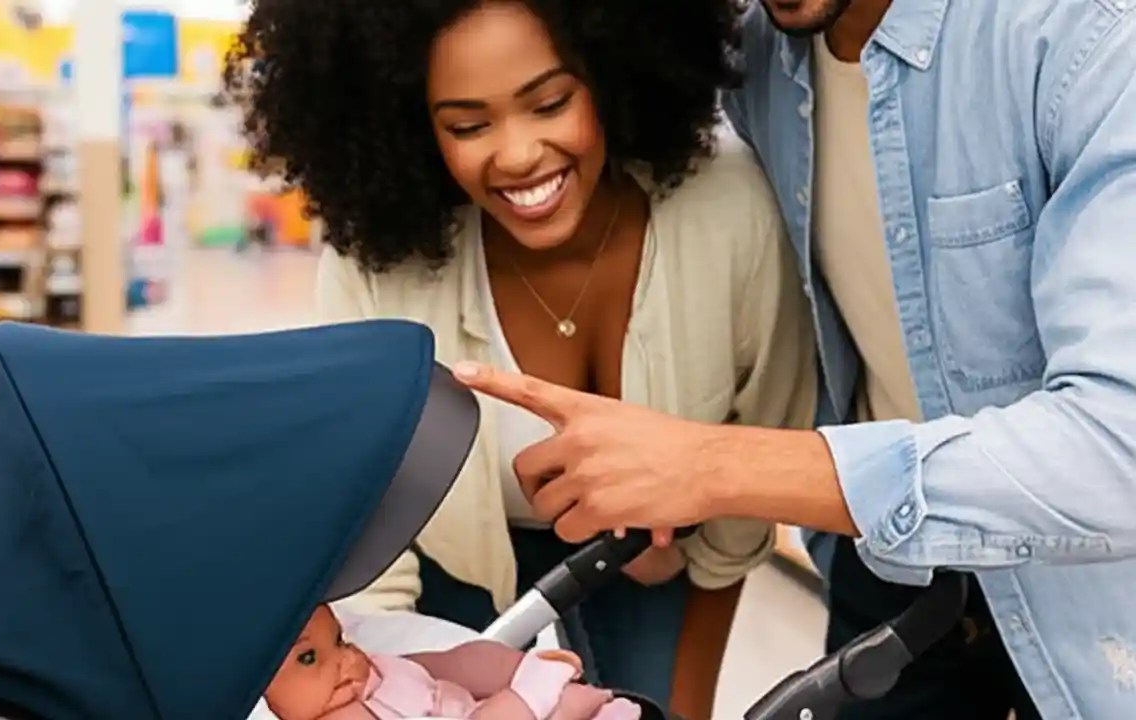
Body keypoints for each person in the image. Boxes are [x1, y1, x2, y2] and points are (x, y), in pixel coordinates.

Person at [449, 1, 1136, 718]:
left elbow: (1120, 448)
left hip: (1091, 605)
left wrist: (713, 466)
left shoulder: (1087, 43)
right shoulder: (756, 64)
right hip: (889, 573)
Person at [224, 0, 817, 716]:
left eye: (551, 102)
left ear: (609, 73)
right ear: (413, 121)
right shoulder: (378, 265)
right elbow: (368, 528)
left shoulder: (729, 215)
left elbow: (753, 468)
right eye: (468, 126)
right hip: (448, 567)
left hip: (655, 564)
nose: (518, 154)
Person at [262, 604, 641, 720]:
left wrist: (518, 668)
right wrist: (531, 698)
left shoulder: (370, 671)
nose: (345, 660)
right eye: (308, 658)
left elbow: (455, 663)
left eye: (340, 640)